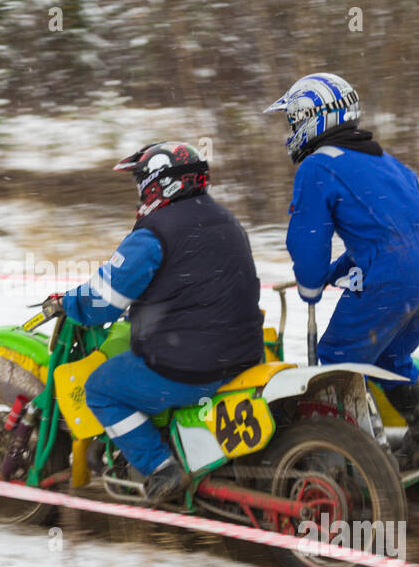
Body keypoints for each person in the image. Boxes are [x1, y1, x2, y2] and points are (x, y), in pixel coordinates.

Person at [45, 141, 265, 506]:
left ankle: (160, 467)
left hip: (191, 365)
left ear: (158, 183)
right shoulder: (227, 219)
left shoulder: (153, 233)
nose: (139, 191)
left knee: (101, 387)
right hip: (243, 355)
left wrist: (70, 303)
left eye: (141, 181)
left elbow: (103, 302)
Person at [263, 72, 419, 469]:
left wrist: (312, 284)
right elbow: (391, 230)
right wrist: (343, 267)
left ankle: (367, 458)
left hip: (392, 275)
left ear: (313, 118)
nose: (291, 129)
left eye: (293, 120)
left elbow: (308, 238)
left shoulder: (316, 167)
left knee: (337, 361)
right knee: (390, 354)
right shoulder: (384, 159)